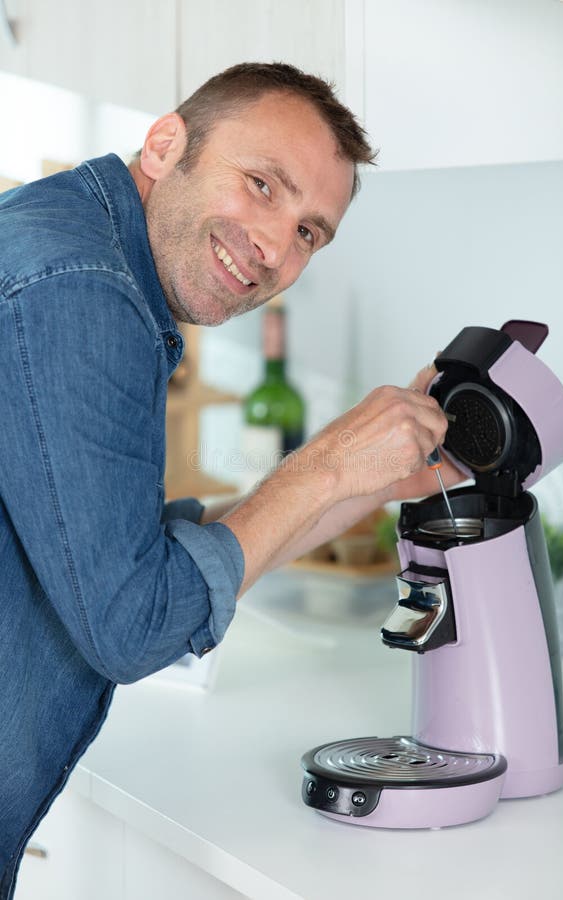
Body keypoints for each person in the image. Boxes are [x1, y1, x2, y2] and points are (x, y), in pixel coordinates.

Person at [0, 62, 456, 895]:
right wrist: (324, 465)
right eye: (260, 184)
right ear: (166, 142)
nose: (278, 247)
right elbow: (133, 623)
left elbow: (115, 549)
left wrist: (363, 482)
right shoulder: (84, 292)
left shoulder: (60, 239)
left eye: (311, 232)